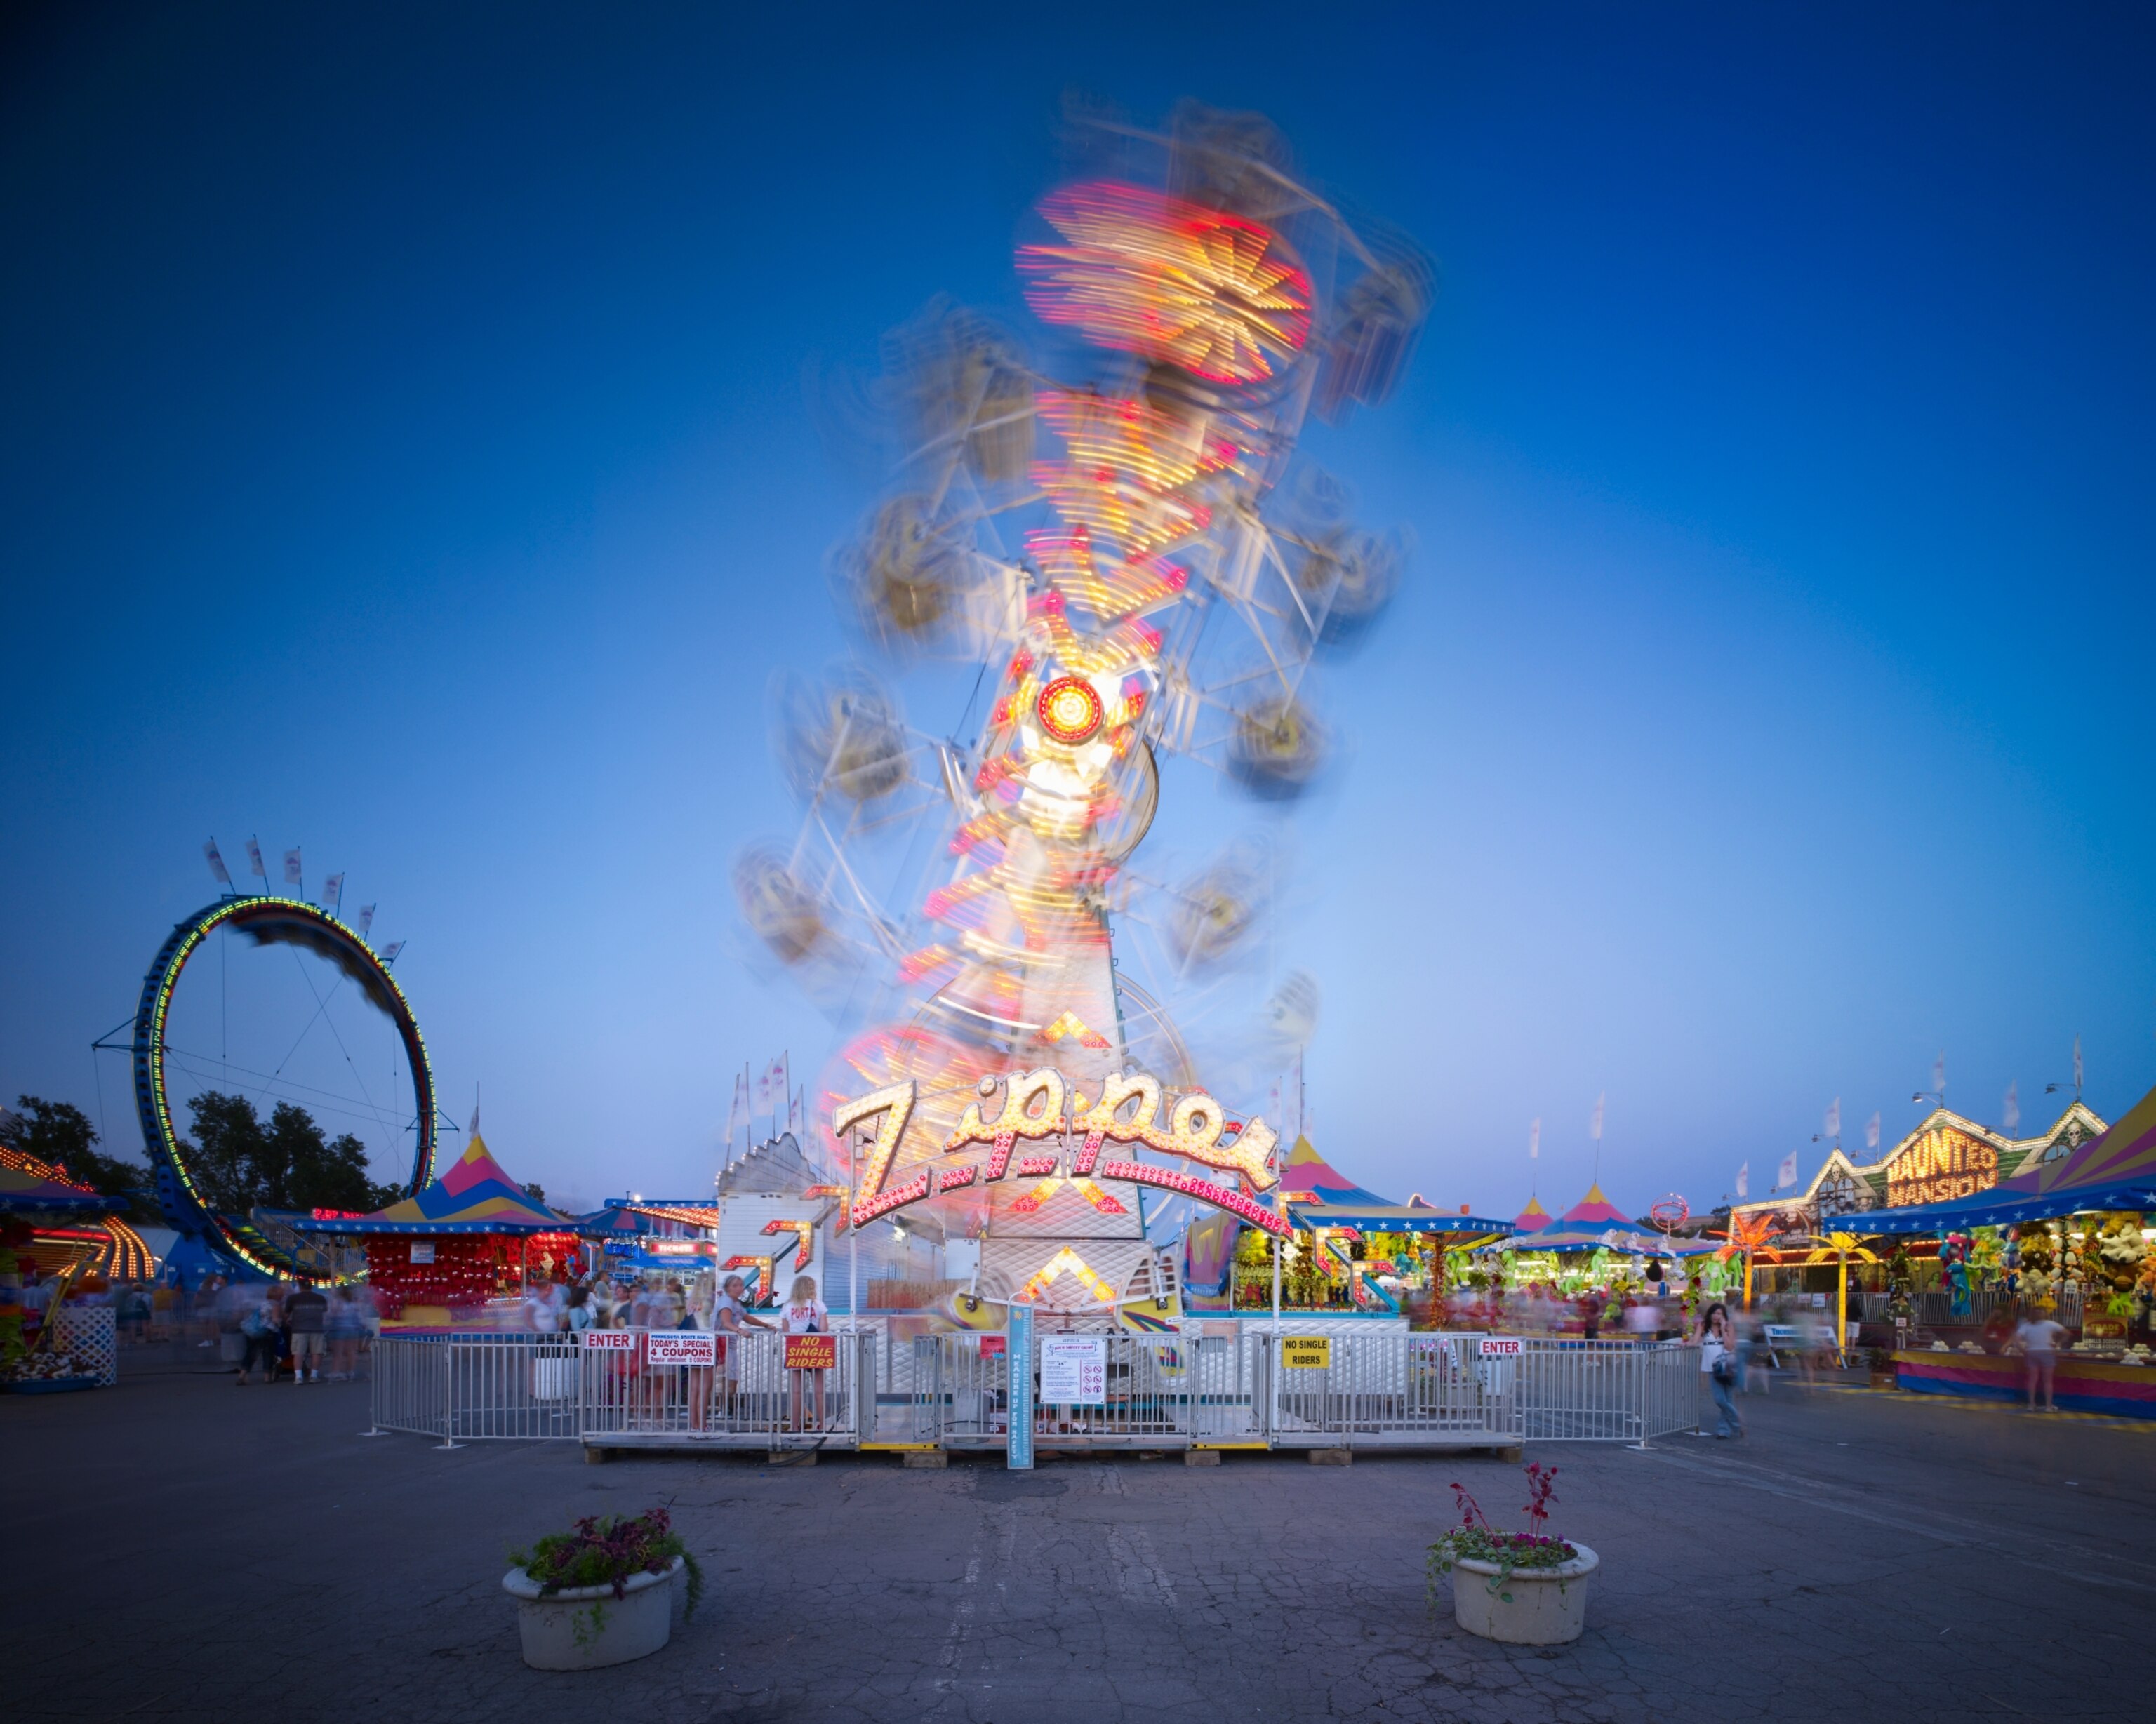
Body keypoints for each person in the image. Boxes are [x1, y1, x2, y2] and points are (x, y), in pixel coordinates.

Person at [783, 1275, 831, 1433]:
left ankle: (795, 1427)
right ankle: (822, 1425)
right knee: (819, 1390)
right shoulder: (818, 1305)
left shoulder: (787, 1306)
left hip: (796, 1349)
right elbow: (823, 1330)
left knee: (796, 1391)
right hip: (815, 1348)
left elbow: (786, 1331)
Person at [1699, 1302, 1744, 1438]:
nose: (1716, 1316)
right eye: (1714, 1313)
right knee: (1720, 1400)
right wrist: (1683, 1345)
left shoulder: (1729, 1327)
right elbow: (1695, 1340)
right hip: (1713, 1367)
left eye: (1719, 1314)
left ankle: (1723, 1430)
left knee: (1728, 1400)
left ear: (1724, 1316)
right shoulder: (1704, 1326)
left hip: (1728, 1367)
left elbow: (1730, 1347)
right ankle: (1738, 1424)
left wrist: (1724, 1329)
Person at [2016, 1307, 2067, 1412]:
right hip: (2047, 1352)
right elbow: (2067, 1333)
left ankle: (2031, 1404)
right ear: (2045, 1314)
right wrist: (2058, 1344)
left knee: (2032, 1380)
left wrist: (2022, 1349)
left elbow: (2016, 1338)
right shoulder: (2051, 1324)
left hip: (2031, 1352)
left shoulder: (2026, 1325)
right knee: (2047, 1380)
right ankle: (2048, 1406)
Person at [284, 1280, 328, 1383]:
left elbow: (286, 1314)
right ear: (311, 1287)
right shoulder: (320, 1298)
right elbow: (325, 1312)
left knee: (298, 1353)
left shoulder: (293, 1298)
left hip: (299, 1329)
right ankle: (313, 1376)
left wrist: (285, 1321)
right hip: (317, 1329)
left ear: (300, 1287)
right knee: (317, 1352)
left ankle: (299, 1377)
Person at [234, 1294, 278, 1385]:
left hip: (253, 1331)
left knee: (250, 1353)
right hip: (267, 1331)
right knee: (267, 1354)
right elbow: (275, 1320)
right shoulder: (274, 1305)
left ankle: (242, 1375)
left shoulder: (257, 1304)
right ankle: (267, 1377)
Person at [324, 1286, 364, 1380]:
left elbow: (332, 1314)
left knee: (338, 1353)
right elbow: (359, 1316)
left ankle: (336, 1372)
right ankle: (350, 1372)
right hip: (353, 1330)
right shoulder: (354, 1303)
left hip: (339, 1329)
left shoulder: (338, 1302)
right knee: (351, 1352)